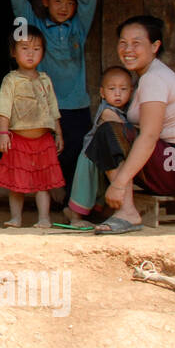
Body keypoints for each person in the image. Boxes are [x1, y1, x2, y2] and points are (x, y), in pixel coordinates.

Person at [89, 16, 175, 234]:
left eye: (137, 43)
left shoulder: (154, 78)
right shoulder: (145, 77)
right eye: (123, 43)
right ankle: (120, 207)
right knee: (109, 129)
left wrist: (118, 184)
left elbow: (149, 136)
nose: (128, 49)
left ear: (155, 46)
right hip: (172, 162)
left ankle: (127, 212)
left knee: (108, 132)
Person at [9, 0, 97, 198]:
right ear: (46, 2)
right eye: (58, 1)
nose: (64, 8)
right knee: (46, 154)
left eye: (70, 3)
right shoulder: (37, 29)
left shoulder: (78, 28)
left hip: (77, 105)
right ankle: (46, 204)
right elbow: (18, 3)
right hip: (46, 107)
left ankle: (74, 201)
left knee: (77, 154)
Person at [0, 25, 66, 229]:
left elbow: (54, 109)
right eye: (25, 48)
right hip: (17, 139)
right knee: (16, 183)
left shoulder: (45, 80)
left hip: (44, 140)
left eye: (36, 48)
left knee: (43, 183)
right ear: (13, 52)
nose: (30, 53)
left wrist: (58, 133)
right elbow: (3, 109)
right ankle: (16, 218)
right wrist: (3, 133)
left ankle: (44, 218)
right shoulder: (11, 80)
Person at [63, 66, 134, 228]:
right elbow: (121, 128)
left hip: (103, 158)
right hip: (90, 157)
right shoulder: (106, 111)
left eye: (123, 89)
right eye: (112, 89)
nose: (117, 93)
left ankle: (71, 212)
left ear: (131, 91)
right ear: (102, 93)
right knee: (85, 188)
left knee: (99, 190)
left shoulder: (126, 110)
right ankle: (75, 218)